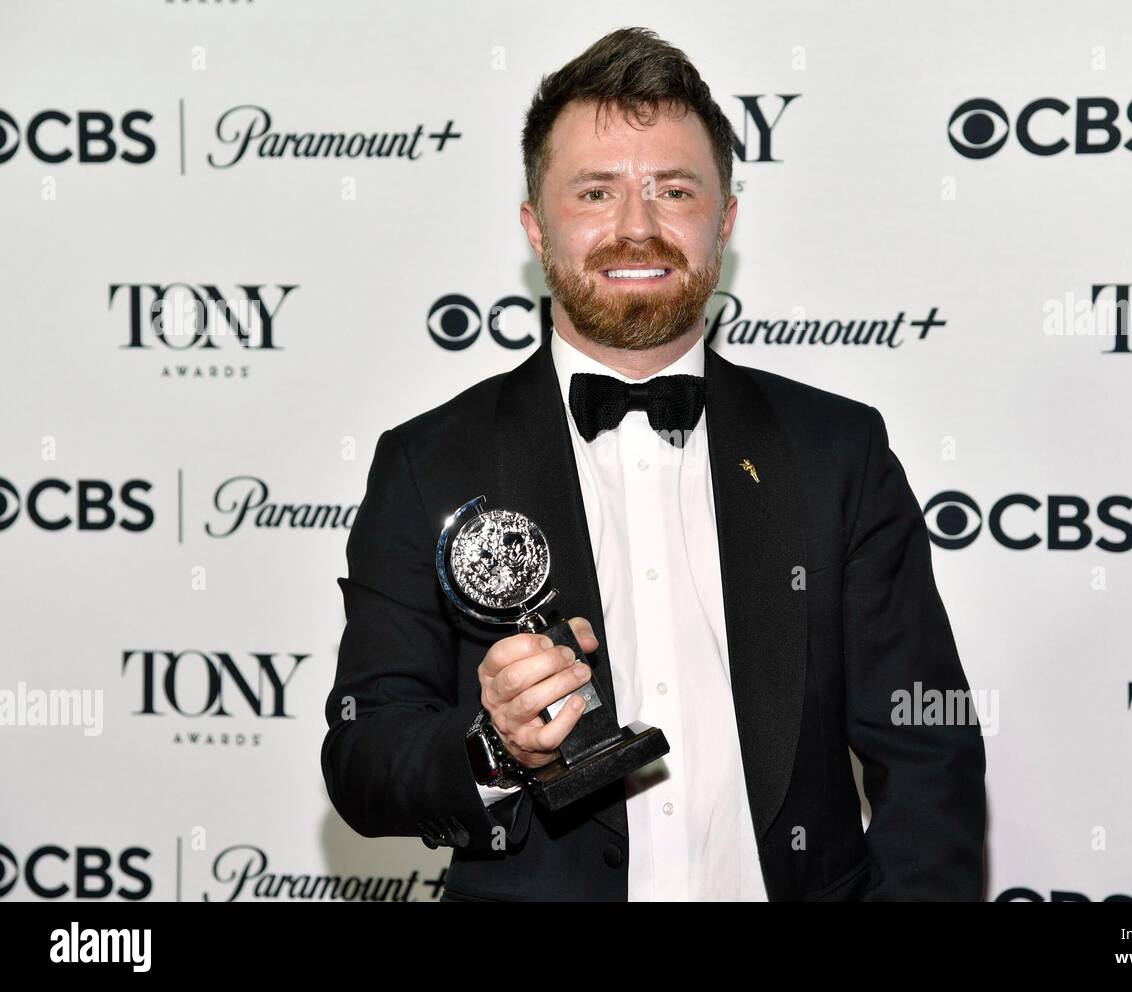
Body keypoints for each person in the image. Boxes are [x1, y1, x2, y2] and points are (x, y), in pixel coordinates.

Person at [321, 26, 986, 901]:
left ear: (726, 219)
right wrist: (497, 744)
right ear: (535, 224)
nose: (637, 228)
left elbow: (927, 748)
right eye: (596, 192)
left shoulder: (839, 451)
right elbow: (366, 759)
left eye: (673, 190)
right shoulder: (428, 461)